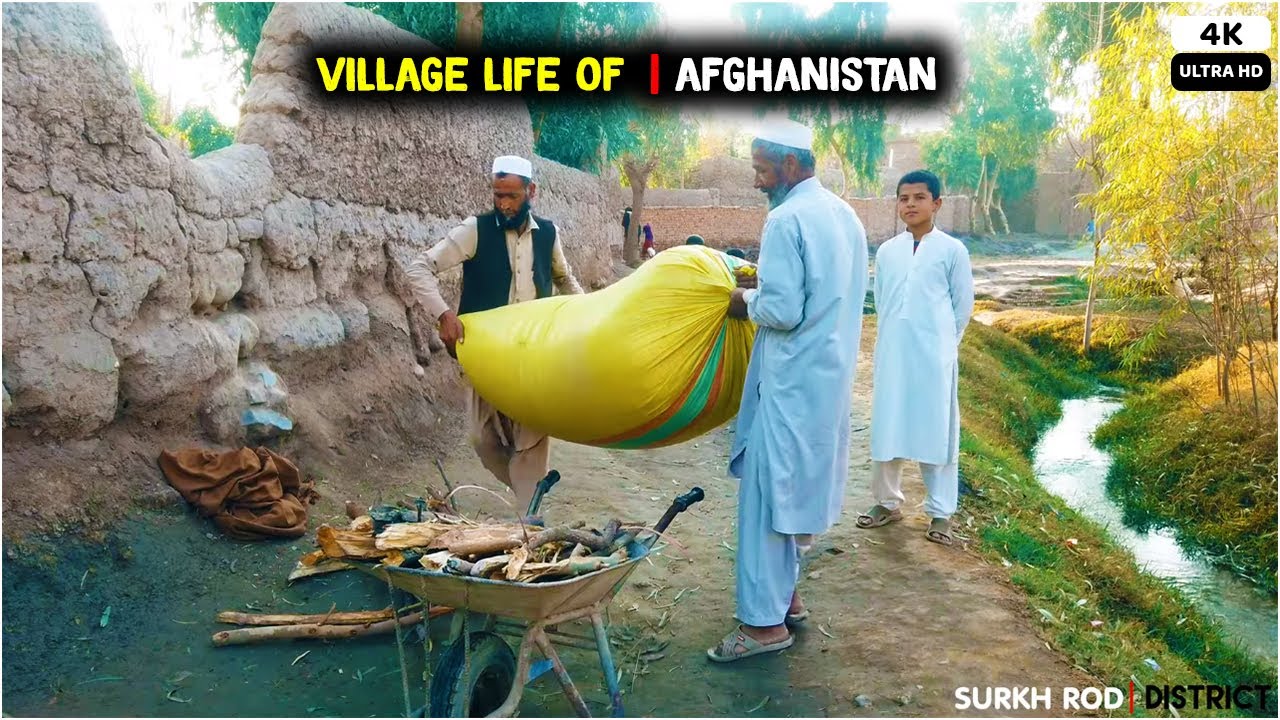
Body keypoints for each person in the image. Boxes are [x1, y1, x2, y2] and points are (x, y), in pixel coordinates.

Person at [707, 119, 869, 663]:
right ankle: (788, 599)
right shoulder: (845, 216)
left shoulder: (785, 219)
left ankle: (761, 628)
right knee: (798, 489)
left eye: (761, 169)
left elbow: (781, 309)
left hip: (789, 380)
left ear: (792, 165)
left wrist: (741, 301)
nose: (757, 181)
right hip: (826, 376)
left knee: (767, 499)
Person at [407, 155, 584, 510]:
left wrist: (587, 313)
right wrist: (443, 313)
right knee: (481, 439)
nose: (503, 204)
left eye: (512, 196)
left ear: (531, 191)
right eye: (497, 195)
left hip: (536, 355)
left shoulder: (548, 234)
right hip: (485, 357)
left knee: (531, 441)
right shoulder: (476, 229)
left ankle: (529, 514)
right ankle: (529, 490)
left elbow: (564, 279)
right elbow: (418, 268)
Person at [858, 169, 974, 546]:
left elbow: (962, 306)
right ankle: (887, 503)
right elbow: (884, 302)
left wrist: (943, 345)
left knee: (936, 430)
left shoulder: (952, 250)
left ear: (936, 203)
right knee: (888, 425)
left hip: (933, 356)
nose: (910, 204)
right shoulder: (888, 252)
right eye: (904, 198)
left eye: (919, 197)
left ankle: (941, 513)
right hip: (893, 353)